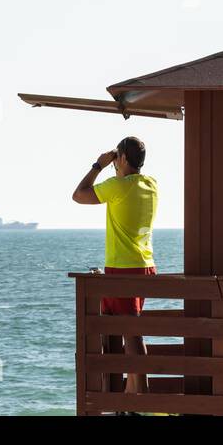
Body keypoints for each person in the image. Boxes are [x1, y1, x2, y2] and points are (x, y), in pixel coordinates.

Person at [72, 136, 157, 395]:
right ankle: (131, 395)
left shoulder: (117, 187)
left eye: (116, 159)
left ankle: (139, 399)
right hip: (145, 266)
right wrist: (118, 164)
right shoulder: (151, 184)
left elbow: (79, 195)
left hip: (123, 269)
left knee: (131, 335)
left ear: (123, 158)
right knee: (130, 330)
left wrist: (98, 165)